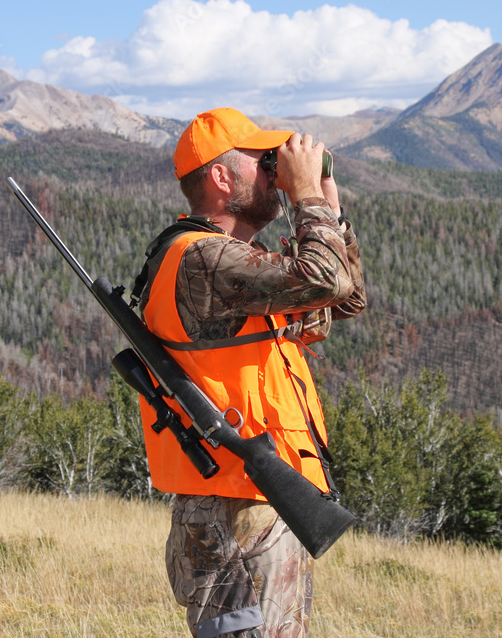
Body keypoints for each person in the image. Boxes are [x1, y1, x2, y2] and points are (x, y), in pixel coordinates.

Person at [131, 107, 366, 638]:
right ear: (220, 177)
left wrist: (329, 207)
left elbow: (344, 298)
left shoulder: (238, 263)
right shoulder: (202, 260)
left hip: (254, 501)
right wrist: (305, 199)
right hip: (233, 511)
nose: (273, 171)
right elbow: (325, 278)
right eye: (260, 162)